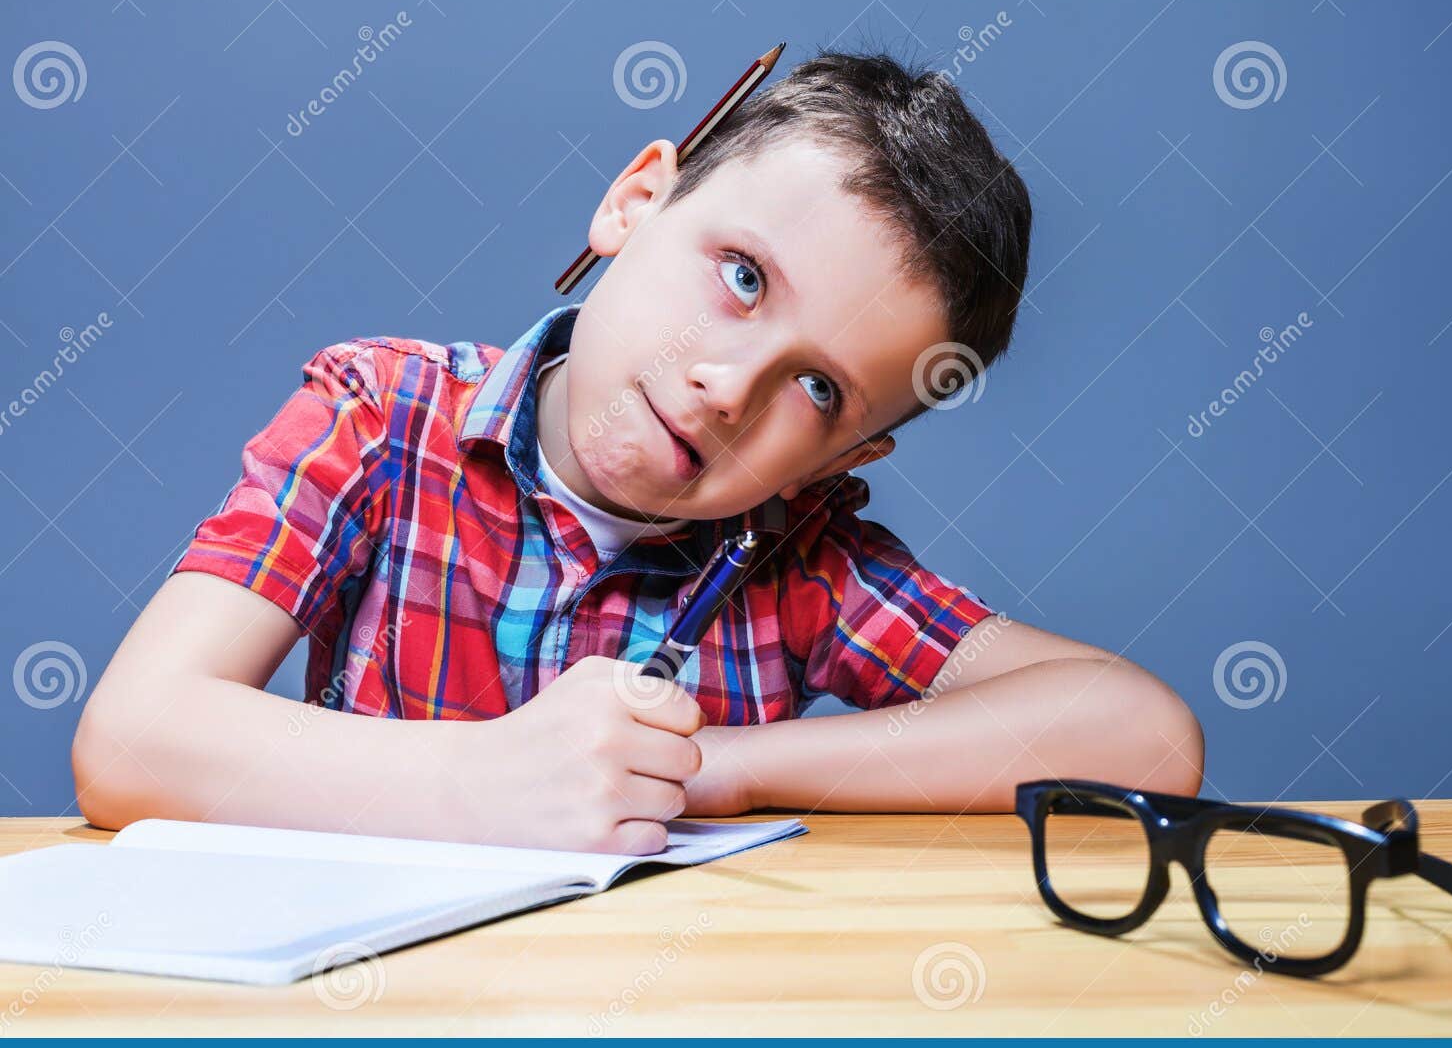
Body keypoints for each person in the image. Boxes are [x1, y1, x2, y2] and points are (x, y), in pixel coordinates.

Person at [72, 51, 1203, 854]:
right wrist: (482, 781)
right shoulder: (381, 415)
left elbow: (1140, 735)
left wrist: (720, 766)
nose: (727, 384)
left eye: (817, 388)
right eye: (743, 276)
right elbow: (132, 736)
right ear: (635, 200)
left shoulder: (800, 557)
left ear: (842, 454)